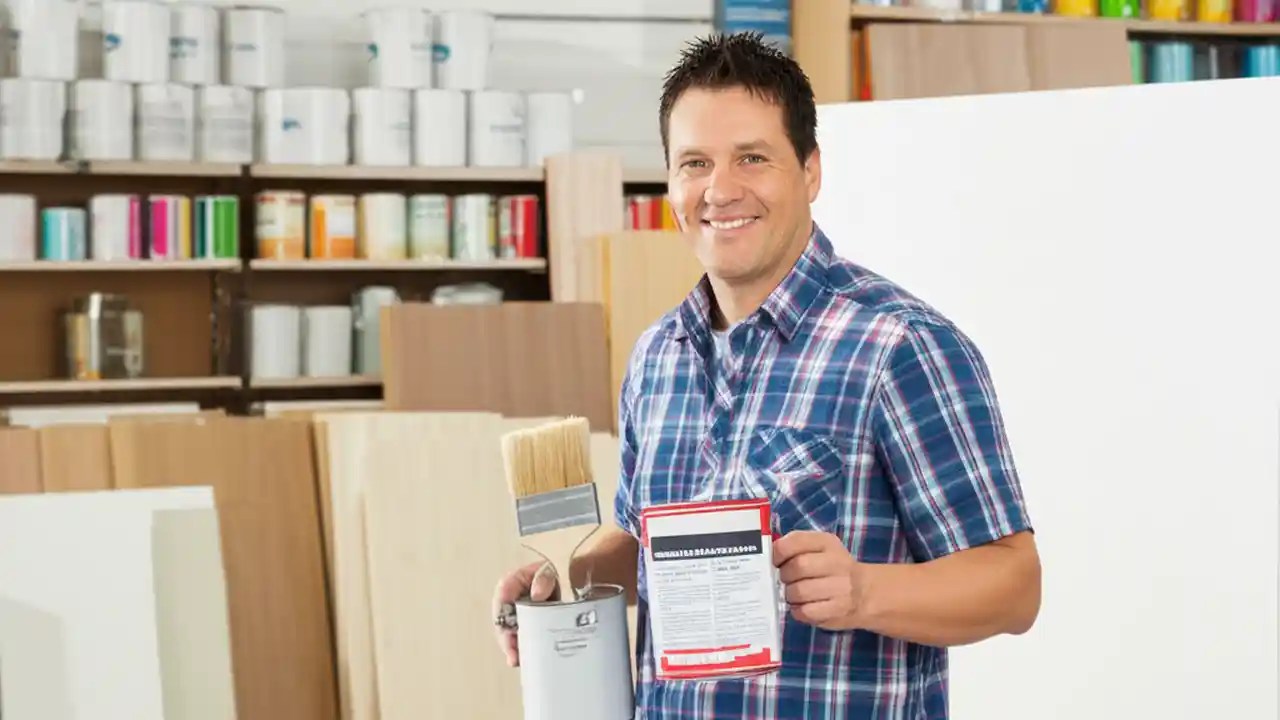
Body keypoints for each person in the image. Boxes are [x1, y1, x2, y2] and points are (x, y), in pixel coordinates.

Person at [493, 31, 1041, 719]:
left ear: (810, 171)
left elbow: (1014, 585)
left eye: (752, 158)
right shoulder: (657, 357)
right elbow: (644, 547)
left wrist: (866, 592)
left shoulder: (900, 346)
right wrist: (564, 574)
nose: (720, 190)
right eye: (695, 163)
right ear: (670, 183)